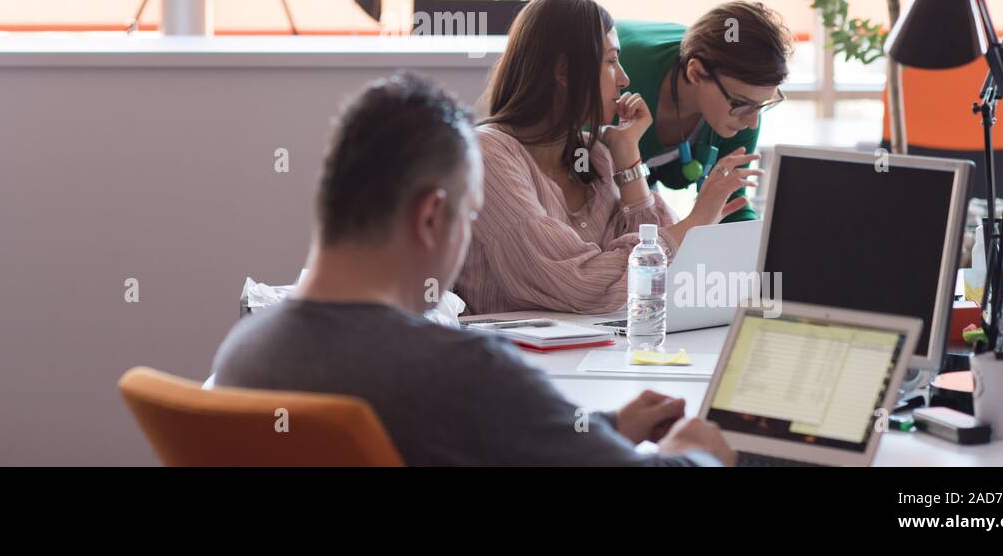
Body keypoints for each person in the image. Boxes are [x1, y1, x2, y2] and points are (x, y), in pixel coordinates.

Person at [212, 72, 734, 467]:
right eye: (470, 215)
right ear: (430, 217)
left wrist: (608, 425)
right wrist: (696, 451)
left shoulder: (245, 352)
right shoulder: (460, 369)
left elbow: (489, 432)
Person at [457, 0, 760, 315]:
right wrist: (696, 222)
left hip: (593, 341)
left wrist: (628, 155)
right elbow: (581, 285)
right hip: (507, 344)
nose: (624, 80)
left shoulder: (597, 155)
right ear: (564, 70)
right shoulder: (488, 155)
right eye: (612, 61)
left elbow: (653, 281)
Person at [616, 2, 793, 224]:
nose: (752, 123)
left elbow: (730, 204)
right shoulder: (618, 84)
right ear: (696, 73)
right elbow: (592, 211)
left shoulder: (740, 108)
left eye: (762, 104)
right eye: (742, 103)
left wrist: (764, 239)